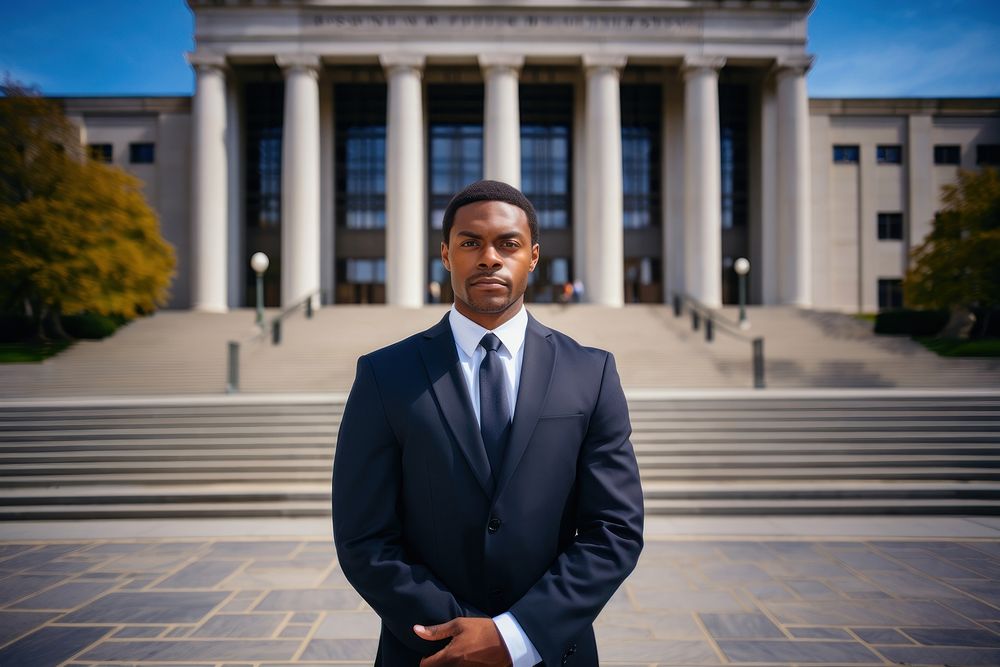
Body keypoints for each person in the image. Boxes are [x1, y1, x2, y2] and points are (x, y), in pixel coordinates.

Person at [332, 180, 644, 667]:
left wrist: (516, 636)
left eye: (508, 243)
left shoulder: (592, 372)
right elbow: (363, 537)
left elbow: (615, 530)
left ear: (534, 256)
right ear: (445, 254)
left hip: (553, 652)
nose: (490, 257)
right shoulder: (383, 374)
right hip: (426, 654)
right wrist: (456, 635)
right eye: (470, 242)